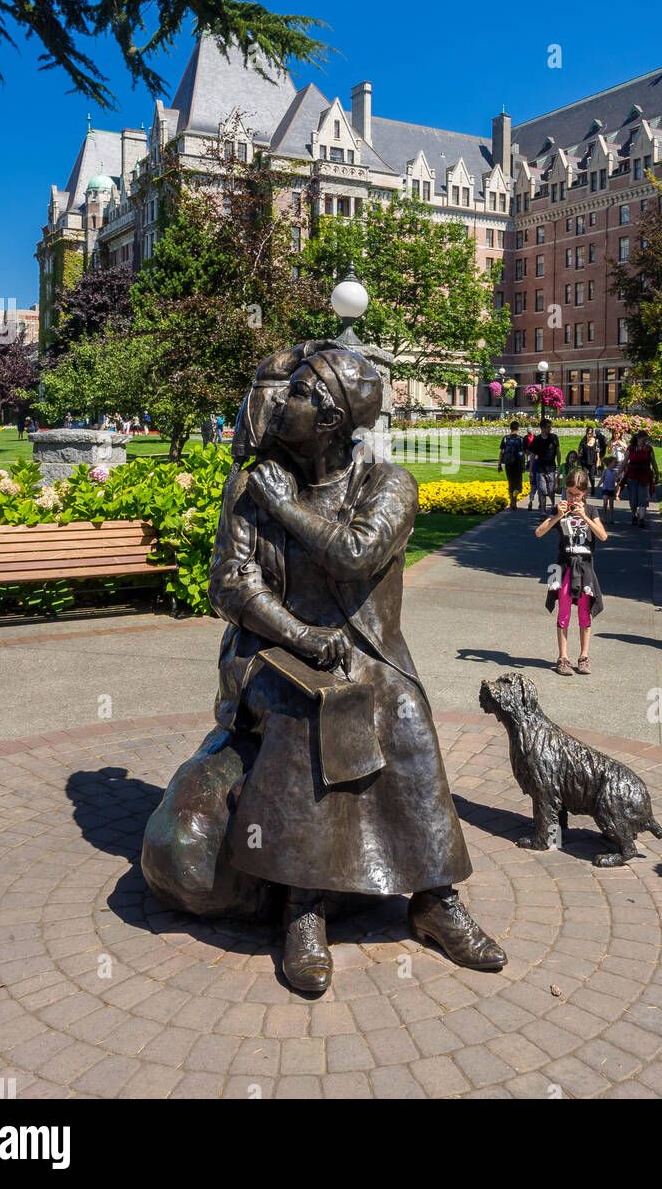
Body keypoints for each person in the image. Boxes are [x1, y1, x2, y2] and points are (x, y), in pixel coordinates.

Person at [209, 341, 507, 991]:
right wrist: (301, 635)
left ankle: (435, 899)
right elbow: (231, 584)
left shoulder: (389, 485)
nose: (281, 402)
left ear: (332, 419)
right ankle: (303, 907)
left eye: (300, 393)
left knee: (400, 708)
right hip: (270, 652)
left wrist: (286, 508)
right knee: (311, 705)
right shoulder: (253, 479)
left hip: (367, 655)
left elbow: (355, 553)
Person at [536, 469, 608, 676]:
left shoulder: (592, 511)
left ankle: (584, 656)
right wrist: (559, 515)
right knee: (563, 611)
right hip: (563, 565)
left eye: (577, 494)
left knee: (585, 613)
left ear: (585, 493)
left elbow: (603, 536)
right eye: (569, 493)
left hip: (585, 566)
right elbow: (539, 532)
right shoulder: (559, 510)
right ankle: (563, 657)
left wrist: (583, 515)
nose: (573, 498)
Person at [622, 431, 659, 528]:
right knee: (633, 499)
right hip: (632, 475)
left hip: (644, 476)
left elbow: (653, 462)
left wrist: (657, 474)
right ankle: (634, 515)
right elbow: (624, 462)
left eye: (646, 440)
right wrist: (618, 474)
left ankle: (641, 519)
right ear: (638, 438)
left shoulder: (649, 449)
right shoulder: (631, 448)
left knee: (643, 498)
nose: (645, 442)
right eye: (644, 439)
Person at [531, 418, 561, 516]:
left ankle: (552, 505)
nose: (550, 429)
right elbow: (532, 455)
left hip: (551, 468)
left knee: (551, 490)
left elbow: (558, 452)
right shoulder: (537, 439)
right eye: (548, 427)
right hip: (540, 469)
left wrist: (559, 465)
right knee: (542, 491)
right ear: (542, 428)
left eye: (550, 427)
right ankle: (543, 511)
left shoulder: (554, 437)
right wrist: (531, 470)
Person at [497, 420, 525, 511]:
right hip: (517, 464)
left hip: (508, 464)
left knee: (510, 482)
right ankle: (515, 498)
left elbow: (501, 452)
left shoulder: (505, 438)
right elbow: (523, 454)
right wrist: (523, 465)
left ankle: (511, 499)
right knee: (518, 484)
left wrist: (499, 464)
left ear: (510, 428)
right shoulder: (520, 439)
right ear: (518, 428)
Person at [600, 456, 620, 523]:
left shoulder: (615, 472)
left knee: (611, 505)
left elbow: (616, 480)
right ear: (609, 463)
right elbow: (602, 479)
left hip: (612, 490)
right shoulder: (605, 471)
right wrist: (597, 486)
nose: (615, 464)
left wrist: (618, 479)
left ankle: (611, 518)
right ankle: (604, 517)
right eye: (614, 463)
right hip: (605, 489)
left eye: (615, 463)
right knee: (605, 503)